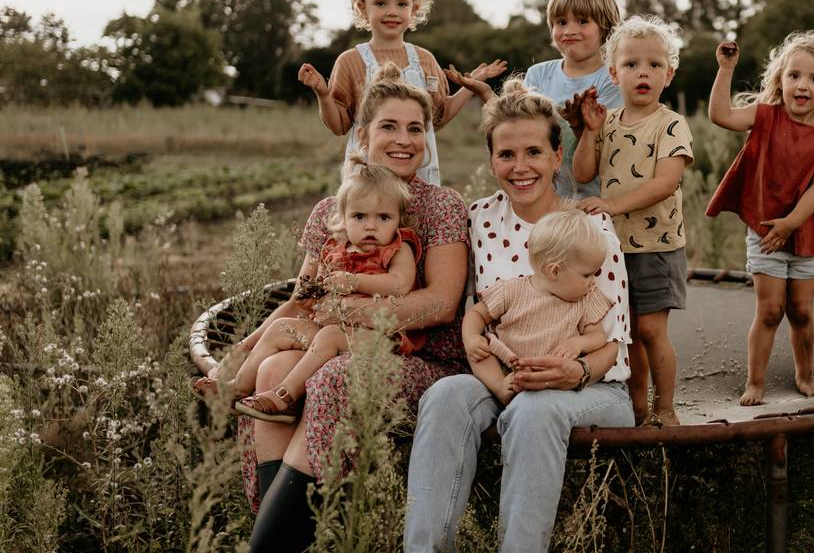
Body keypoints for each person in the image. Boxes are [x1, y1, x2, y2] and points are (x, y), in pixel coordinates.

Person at [242, 62, 482, 552]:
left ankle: (279, 542)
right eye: (389, 126)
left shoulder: (441, 206)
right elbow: (304, 299)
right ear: (362, 137)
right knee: (270, 369)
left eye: (416, 128)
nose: (404, 139)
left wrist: (346, 310)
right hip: (339, 342)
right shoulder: (333, 209)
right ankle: (280, 528)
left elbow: (438, 305)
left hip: (421, 357)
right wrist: (241, 350)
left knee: (334, 376)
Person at [405, 80, 633, 552]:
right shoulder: (481, 219)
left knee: (535, 408)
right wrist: (496, 380)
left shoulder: (592, 227)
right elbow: (475, 316)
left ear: (557, 157)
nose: (520, 166)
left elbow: (615, 340)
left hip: (591, 385)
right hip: (502, 373)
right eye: (506, 155)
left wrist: (575, 371)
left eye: (534, 151)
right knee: (446, 395)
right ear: (491, 161)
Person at [704, 31, 814, 406]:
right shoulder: (765, 117)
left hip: (807, 232)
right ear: (780, 79)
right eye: (795, 76)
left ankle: (805, 376)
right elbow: (720, 115)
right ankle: (755, 382)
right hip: (767, 231)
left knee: (801, 311)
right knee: (769, 310)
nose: (803, 85)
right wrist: (725, 69)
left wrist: (790, 224)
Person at [193, 156, 421, 424]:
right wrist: (314, 294)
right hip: (331, 329)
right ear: (343, 219)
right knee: (282, 329)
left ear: (398, 221)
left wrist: (355, 282)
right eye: (359, 216)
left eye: (384, 217)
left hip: (381, 337)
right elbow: (312, 296)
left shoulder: (396, 248)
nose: (371, 226)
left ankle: (284, 397)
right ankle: (237, 386)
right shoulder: (335, 250)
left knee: (331, 336)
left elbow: (400, 283)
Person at [570, 15, 693, 427]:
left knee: (653, 331)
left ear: (669, 74)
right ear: (613, 72)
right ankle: (638, 412)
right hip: (615, 250)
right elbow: (583, 172)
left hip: (656, 247)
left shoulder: (671, 124)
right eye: (632, 64)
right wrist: (588, 132)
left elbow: (663, 183)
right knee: (629, 338)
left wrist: (611, 205)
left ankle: (666, 409)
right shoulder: (607, 123)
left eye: (655, 65)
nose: (644, 72)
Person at [296, 0, 506, 184]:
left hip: (419, 172)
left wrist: (470, 86)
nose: (392, 12)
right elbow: (338, 126)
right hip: (369, 176)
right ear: (362, 8)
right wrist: (323, 95)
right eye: (381, 3)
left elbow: (436, 118)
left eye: (402, 4)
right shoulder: (350, 61)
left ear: (414, 9)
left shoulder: (425, 60)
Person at [464, 208, 613, 404]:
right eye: (587, 275)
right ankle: (500, 387)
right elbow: (477, 314)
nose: (593, 281)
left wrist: (578, 343)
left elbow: (598, 336)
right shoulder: (511, 291)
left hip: (551, 374)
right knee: (483, 352)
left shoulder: (585, 299)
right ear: (554, 271)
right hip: (505, 363)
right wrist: (471, 338)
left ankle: (532, 397)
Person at [523, 0, 623, 198]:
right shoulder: (537, 74)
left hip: (593, 201)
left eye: (582, 21)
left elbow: (603, 142)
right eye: (561, 22)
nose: (569, 30)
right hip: (542, 199)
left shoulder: (613, 79)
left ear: (604, 27)